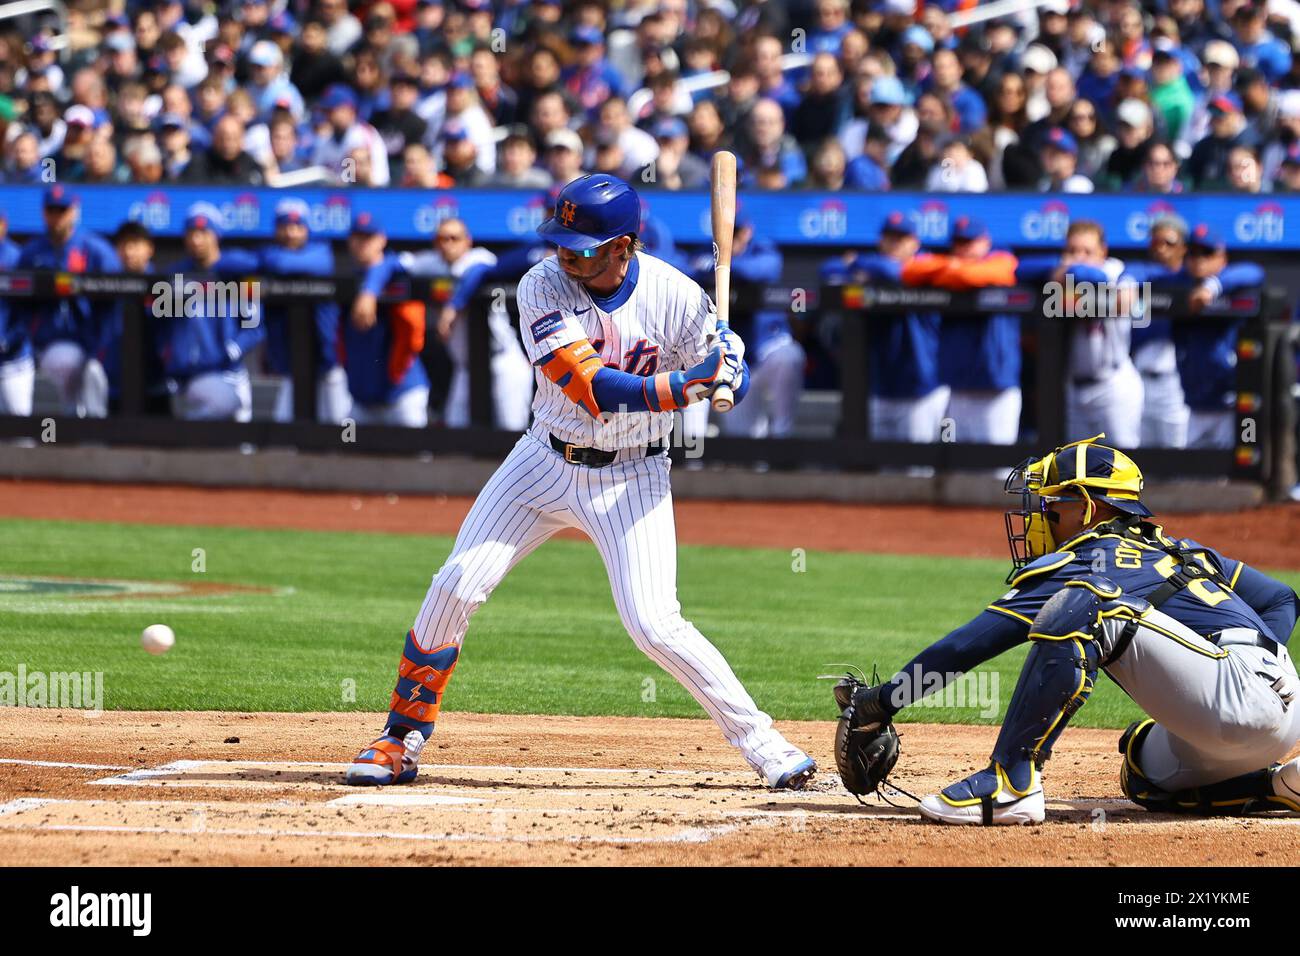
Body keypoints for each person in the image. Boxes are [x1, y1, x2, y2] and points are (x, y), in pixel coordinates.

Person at [346, 174, 816, 791]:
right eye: (561, 242)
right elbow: (592, 387)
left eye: (582, 247)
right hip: (542, 461)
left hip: (634, 475)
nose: (566, 256)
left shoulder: (678, 294)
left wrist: (730, 365)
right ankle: (400, 738)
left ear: (624, 245)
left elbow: (729, 374)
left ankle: (766, 745)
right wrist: (688, 384)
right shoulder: (541, 284)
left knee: (653, 622)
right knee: (457, 582)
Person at [834, 436, 1300, 824]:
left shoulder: (1089, 559)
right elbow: (1282, 599)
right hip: (1271, 711)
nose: (1041, 515)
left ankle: (1011, 780)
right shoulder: (1186, 550)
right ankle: (1281, 783)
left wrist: (882, 701)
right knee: (1142, 770)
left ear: (1089, 508)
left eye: (1053, 504)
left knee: (1085, 602)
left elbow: (971, 644)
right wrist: (1255, 679)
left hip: (1241, 697)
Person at [355, 217, 532, 430]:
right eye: (441, 239)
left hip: (503, 363)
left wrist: (452, 307)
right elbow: (390, 263)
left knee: (510, 432)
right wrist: (369, 292)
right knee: (455, 435)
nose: (447, 244)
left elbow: (475, 274)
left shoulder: (478, 257)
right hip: (465, 368)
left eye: (453, 238)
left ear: (467, 241)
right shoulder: (432, 262)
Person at [823, 211, 948, 443]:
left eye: (901, 238)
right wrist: (860, 269)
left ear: (915, 242)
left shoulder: (926, 267)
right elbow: (829, 270)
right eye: (890, 237)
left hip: (921, 390)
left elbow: (894, 271)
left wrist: (858, 264)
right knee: (879, 471)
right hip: (880, 388)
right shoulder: (873, 269)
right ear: (880, 240)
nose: (895, 244)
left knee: (915, 470)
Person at [1017, 220, 1141, 447]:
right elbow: (1019, 269)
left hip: (1113, 384)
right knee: (1077, 468)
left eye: (1087, 251)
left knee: (1123, 465)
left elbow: (1125, 301)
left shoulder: (1115, 270)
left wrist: (1069, 275)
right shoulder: (1060, 274)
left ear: (1103, 251)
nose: (1080, 257)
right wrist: (1063, 273)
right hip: (1074, 388)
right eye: (1073, 251)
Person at [903, 216, 1021, 445]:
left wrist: (953, 270)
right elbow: (909, 271)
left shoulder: (1001, 260)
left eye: (970, 242)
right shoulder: (946, 266)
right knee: (955, 468)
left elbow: (973, 276)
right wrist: (953, 267)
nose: (964, 248)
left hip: (995, 392)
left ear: (985, 242)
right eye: (959, 242)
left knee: (996, 470)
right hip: (956, 390)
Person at [688, 214, 804, 439]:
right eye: (726, 232)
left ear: (747, 232)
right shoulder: (704, 250)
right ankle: (696, 463)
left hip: (768, 349)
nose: (729, 239)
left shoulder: (763, 251)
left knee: (790, 356)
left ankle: (784, 437)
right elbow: (682, 269)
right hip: (733, 362)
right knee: (744, 438)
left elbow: (758, 270)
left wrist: (717, 268)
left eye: (735, 233)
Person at [16, 186, 119, 418]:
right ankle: (69, 430)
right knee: (65, 361)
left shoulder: (94, 249)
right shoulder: (33, 252)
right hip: (52, 341)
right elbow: (19, 301)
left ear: (74, 211)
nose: (57, 215)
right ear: (44, 212)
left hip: (95, 341)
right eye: (52, 210)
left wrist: (101, 341)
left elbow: (118, 294)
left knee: (94, 377)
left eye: (62, 209)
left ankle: (91, 439)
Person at [156, 210, 263, 421]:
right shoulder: (175, 275)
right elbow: (160, 324)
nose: (196, 240)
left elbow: (255, 326)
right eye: (191, 233)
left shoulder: (237, 273)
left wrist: (231, 350)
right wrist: (169, 354)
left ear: (216, 235)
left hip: (229, 372)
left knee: (240, 444)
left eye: (204, 232)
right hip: (187, 375)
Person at [1170, 224, 1264, 449]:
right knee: (1185, 477)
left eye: (1207, 253)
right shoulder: (1180, 284)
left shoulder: (1232, 282)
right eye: (1192, 253)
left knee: (1232, 477)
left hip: (1229, 405)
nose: (1198, 260)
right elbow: (1144, 273)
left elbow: (1255, 272)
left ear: (1222, 257)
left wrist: (1213, 287)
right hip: (1192, 405)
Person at [259, 198, 350, 423]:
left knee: (342, 430)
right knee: (285, 434)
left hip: (328, 362)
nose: (291, 233)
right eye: (285, 227)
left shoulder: (321, 251)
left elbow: (285, 265)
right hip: (292, 365)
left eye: (297, 227)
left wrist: (271, 261)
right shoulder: (268, 253)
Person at [340, 213, 430, 428]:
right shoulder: (348, 276)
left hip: (403, 395)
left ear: (381, 239)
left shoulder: (397, 267)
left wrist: (369, 291)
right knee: (345, 457)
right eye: (358, 237)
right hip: (362, 401)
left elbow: (389, 265)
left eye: (368, 237)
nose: (362, 243)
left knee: (417, 459)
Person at [1122, 216, 1191, 448]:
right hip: (1138, 379)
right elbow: (1132, 272)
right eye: (1156, 243)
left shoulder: (1188, 279)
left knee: (1178, 455)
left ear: (1183, 247)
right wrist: (1128, 283)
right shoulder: (1140, 274)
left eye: (1169, 243)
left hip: (1175, 382)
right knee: (1140, 458)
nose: (1161, 249)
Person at [0, 210, 32, 416]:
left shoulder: (18, 257)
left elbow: (29, 311)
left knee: (21, 435)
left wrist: (7, 340)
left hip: (13, 361)